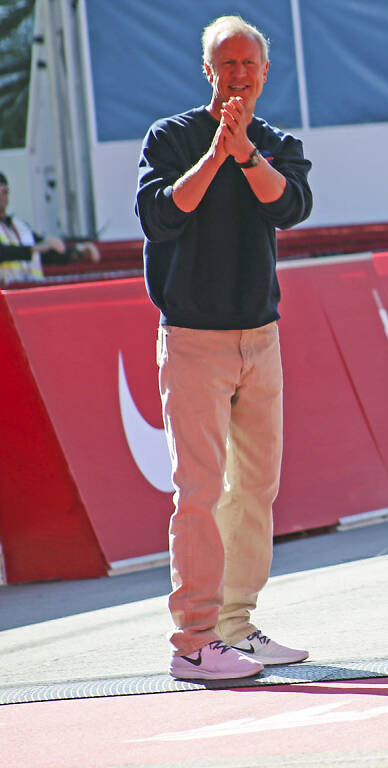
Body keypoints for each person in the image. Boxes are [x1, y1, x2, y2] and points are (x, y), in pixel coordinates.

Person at [135, 15, 313, 681]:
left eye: (249, 65)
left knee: (257, 487)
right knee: (200, 490)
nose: (238, 75)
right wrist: (216, 151)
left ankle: (237, 624)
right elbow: (161, 215)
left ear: (265, 73)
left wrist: (244, 151)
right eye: (226, 65)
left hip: (258, 337)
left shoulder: (275, 143)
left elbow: (289, 206)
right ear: (207, 72)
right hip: (192, 340)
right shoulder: (171, 138)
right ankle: (194, 640)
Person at [0, 172, 100, 286]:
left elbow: (47, 253)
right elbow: (3, 252)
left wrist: (78, 250)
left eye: (4, 192)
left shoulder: (20, 226)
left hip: (30, 294)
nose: (1, 196)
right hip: (4, 298)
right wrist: (37, 248)